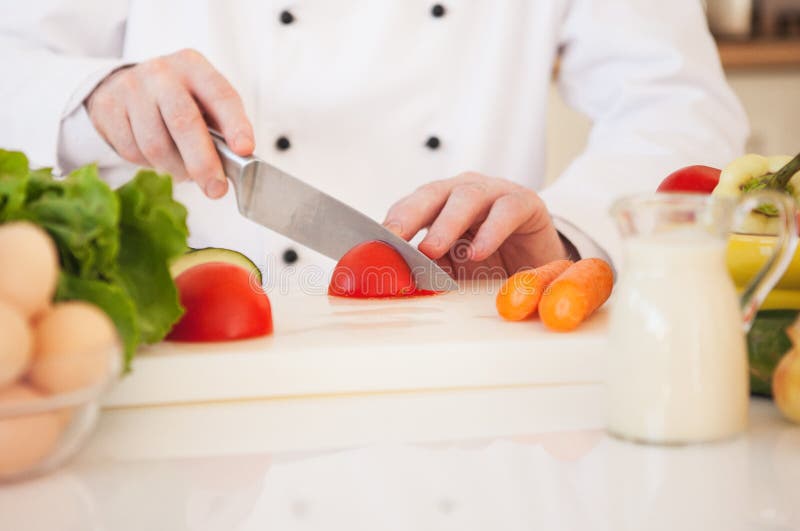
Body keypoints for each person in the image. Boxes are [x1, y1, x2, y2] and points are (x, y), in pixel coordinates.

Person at [0, 1, 747, 287]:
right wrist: (90, 98)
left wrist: (570, 240)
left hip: (465, 364)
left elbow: (679, 107)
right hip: (193, 345)